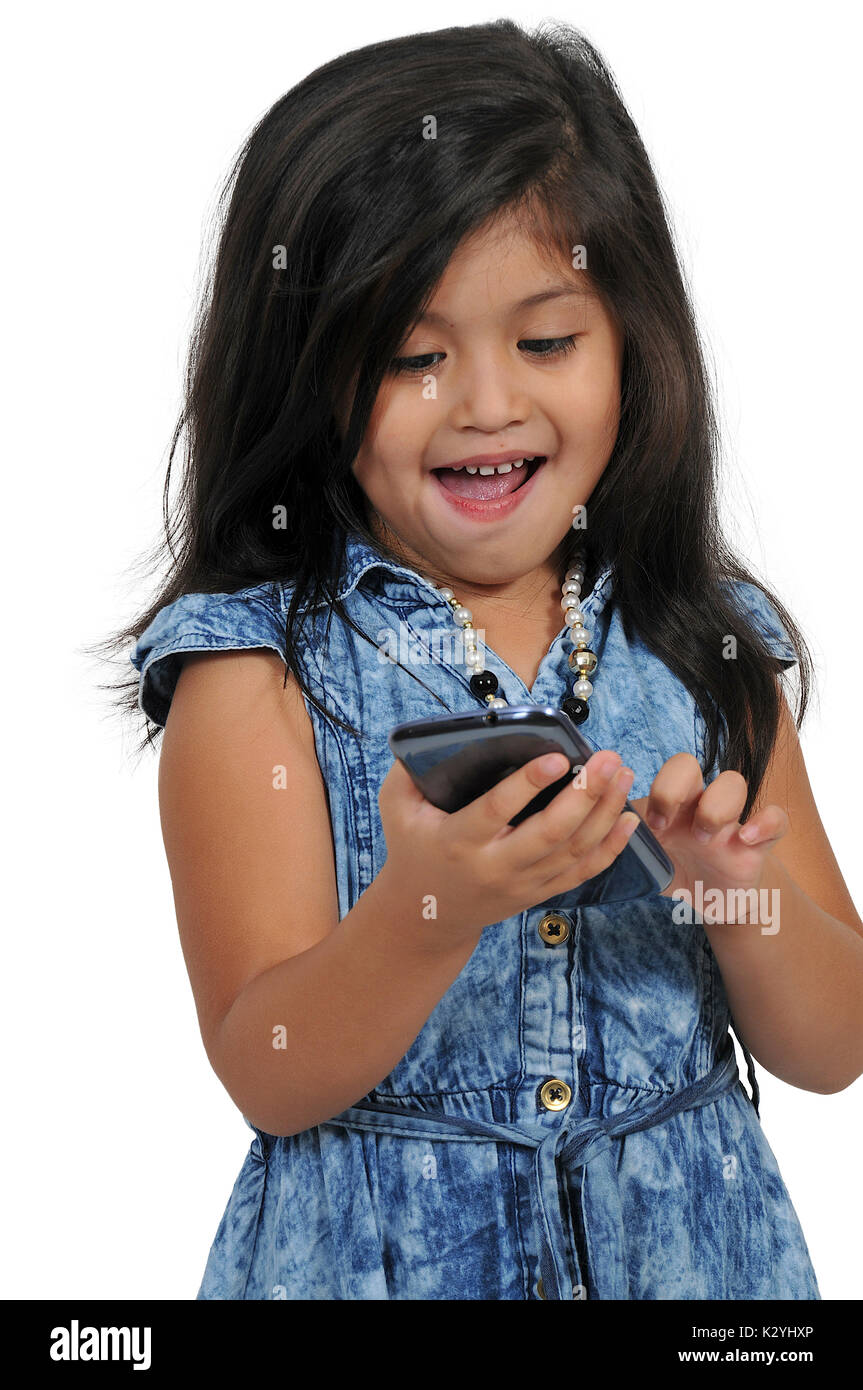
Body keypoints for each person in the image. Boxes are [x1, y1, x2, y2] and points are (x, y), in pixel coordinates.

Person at [116, 20, 863, 1299]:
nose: (484, 404)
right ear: (307, 374)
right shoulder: (258, 675)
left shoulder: (703, 643)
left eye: (546, 342)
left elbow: (830, 1038)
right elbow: (269, 1063)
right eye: (412, 356)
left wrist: (725, 890)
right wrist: (432, 908)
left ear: (633, 341)